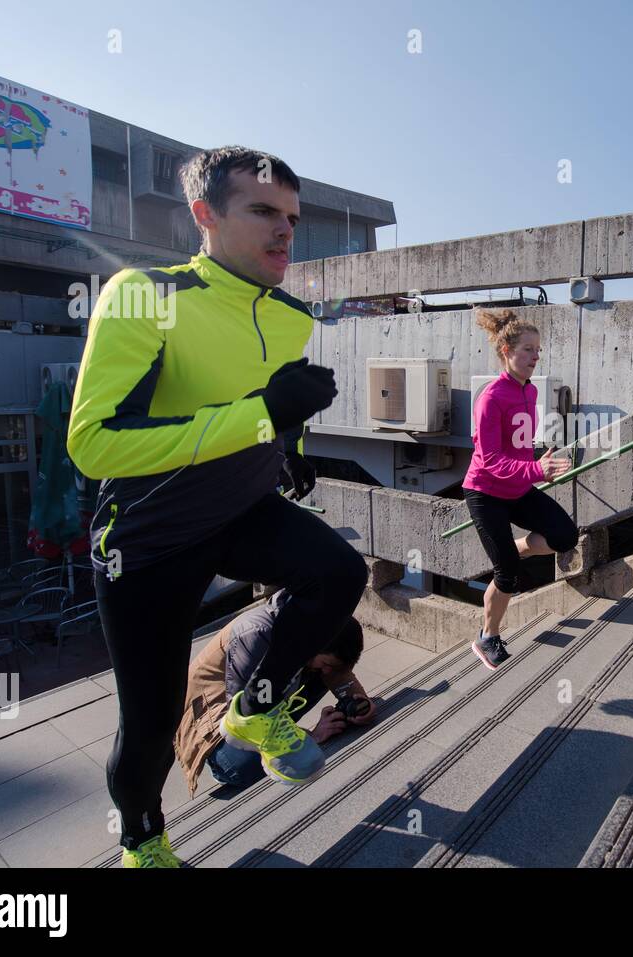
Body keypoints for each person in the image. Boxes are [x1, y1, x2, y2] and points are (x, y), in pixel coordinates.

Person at [67, 146, 368, 868]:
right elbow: (94, 443)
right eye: (263, 210)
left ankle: (257, 708)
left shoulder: (290, 318)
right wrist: (265, 414)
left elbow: (258, 399)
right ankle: (143, 838)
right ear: (205, 216)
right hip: (147, 538)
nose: (285, 231)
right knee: (150, 724)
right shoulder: (144, 295)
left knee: (337, 574)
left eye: (292, 217)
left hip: (236, 507)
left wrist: (287, 441)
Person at [462, 308, 579, 670]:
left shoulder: (528, 392)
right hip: (485, 492)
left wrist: (538, 461)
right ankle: (488, 636)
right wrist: (534, 469)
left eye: (538, 350)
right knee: (507, 576)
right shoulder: (491, 397)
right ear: (507, 352)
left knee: (565, 535)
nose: (535, 356)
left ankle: (511, 550)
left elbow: (516, 447)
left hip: (516, 486)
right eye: (528, 349)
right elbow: (489, 460)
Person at [175, 590, 376, 798]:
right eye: (326, 663)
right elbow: (247, 720)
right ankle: (220, 762)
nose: (326, 670)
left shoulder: (316, 628)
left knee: (325, 672)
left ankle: (282, 733)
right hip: (217, 719)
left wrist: (360, 704)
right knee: (241, 768)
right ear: (317, 643)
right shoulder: (257, 636)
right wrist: (311, 737)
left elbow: (339, 672)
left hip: (263, 699)